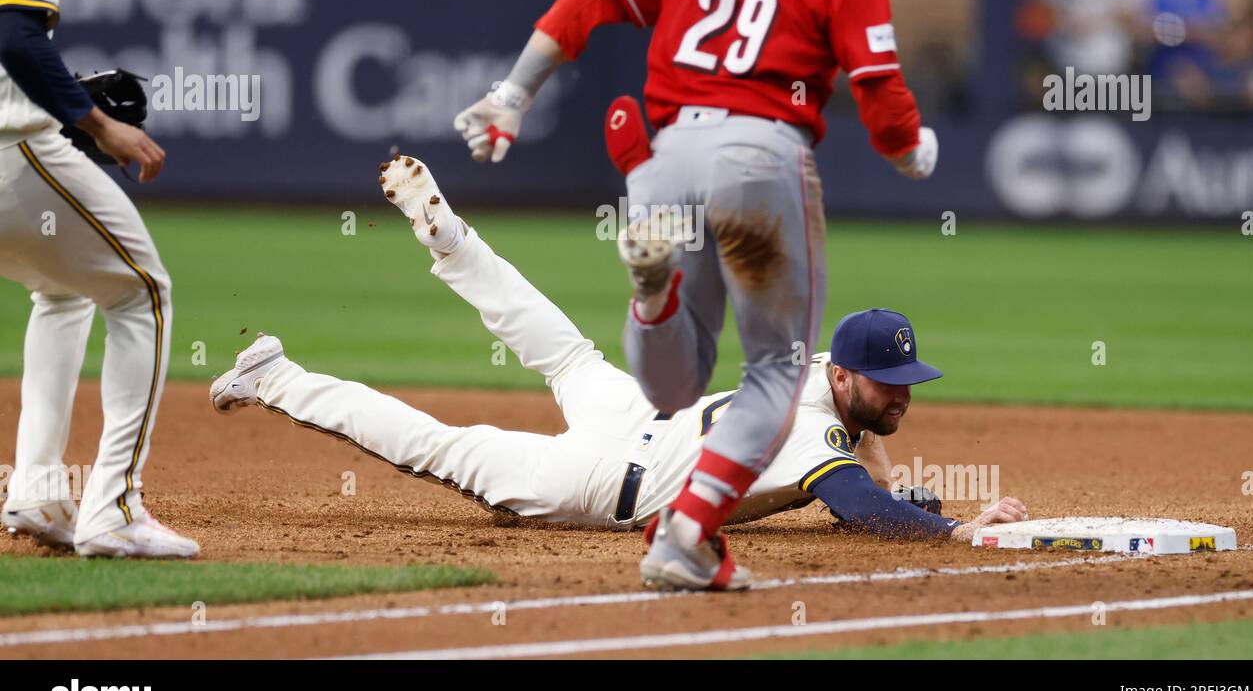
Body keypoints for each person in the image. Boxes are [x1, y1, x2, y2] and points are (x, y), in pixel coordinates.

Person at [449, 0, 939, 590]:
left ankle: (651, 298)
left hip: (668, 157)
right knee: (779, 372)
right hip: (761, 155)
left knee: (671, 388)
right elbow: (883, 100)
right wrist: (914, 149)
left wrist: (512, 94)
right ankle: (686, 535)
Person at [209, 156, 1027, 575]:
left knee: (564, 350)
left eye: (906, 387)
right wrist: (955, 530)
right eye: (889, 385)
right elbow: (857, 504)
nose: (901, 400)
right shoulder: (813, 430)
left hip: (642, 418)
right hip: (601, 484)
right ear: (844, 379)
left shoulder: (815, 372)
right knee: (439, 447)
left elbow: (865, 449)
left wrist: (893, 481)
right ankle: (274, 376)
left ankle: (452, 239)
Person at [0, 0, 197, 558]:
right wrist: (95, 120)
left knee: (63, 289)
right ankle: (113, 509)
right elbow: (15, 34)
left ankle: (38, 493)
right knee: (143, 292)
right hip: (14, 154)